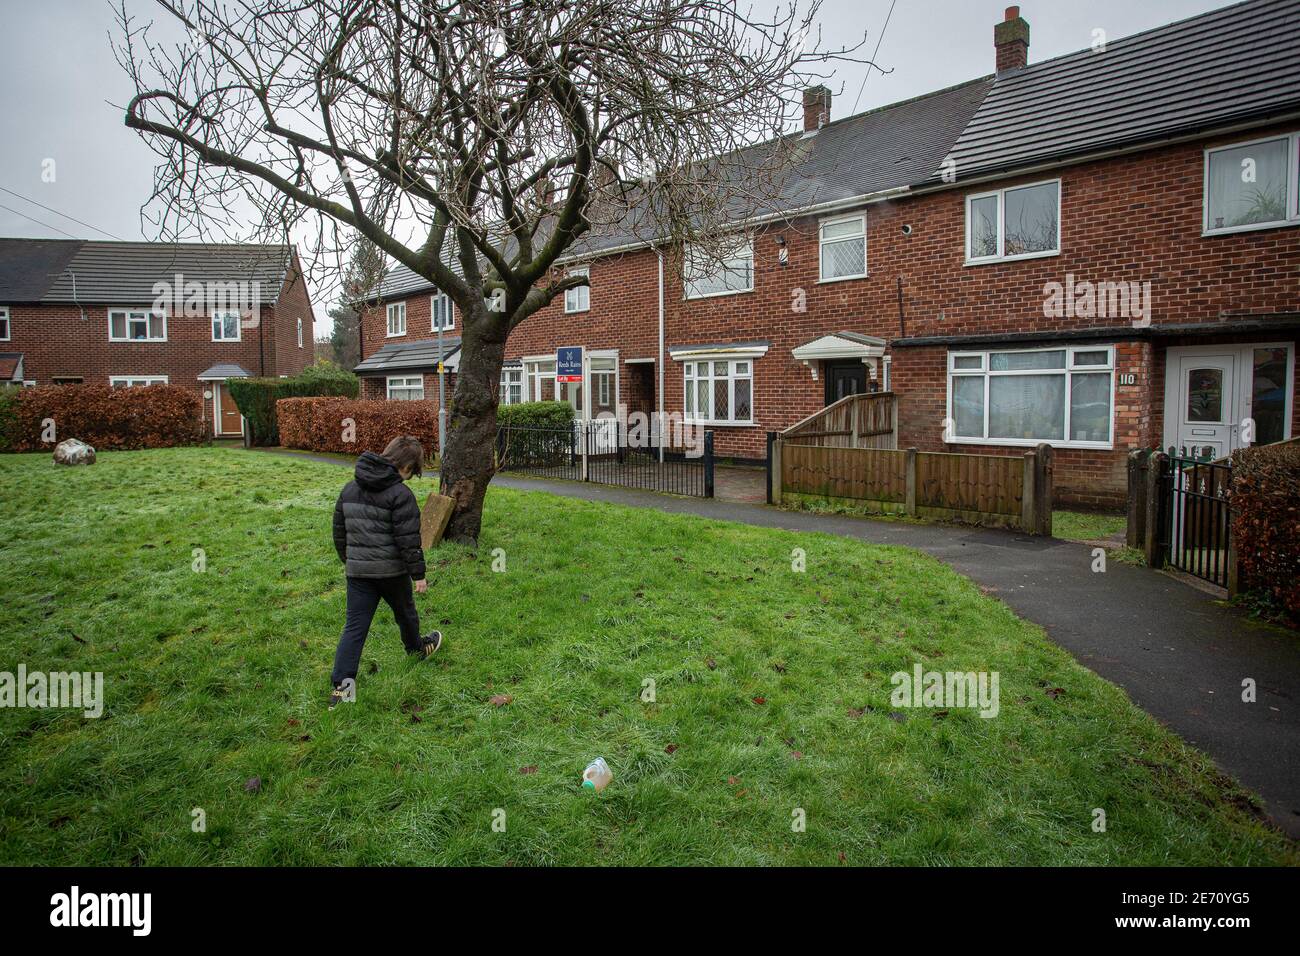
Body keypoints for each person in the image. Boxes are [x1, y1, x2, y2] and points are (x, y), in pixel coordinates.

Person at [329, 435, 441, 707]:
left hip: (358, 574)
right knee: (405, 614)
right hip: (392, 574)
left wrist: (351, 560)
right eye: (412, 472)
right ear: (405, 466)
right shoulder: (401, 495)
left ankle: (341, 693)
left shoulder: (349, 489)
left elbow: (339, 532)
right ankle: (417, 649)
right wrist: (419, 575)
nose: (409, 478)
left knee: (354, 628)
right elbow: (408, 541)